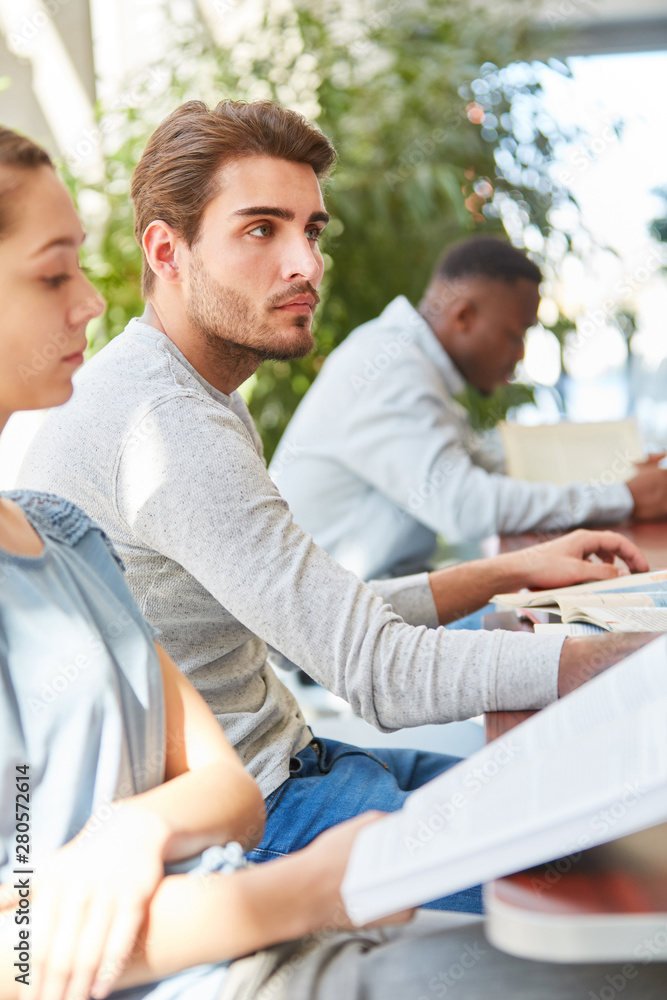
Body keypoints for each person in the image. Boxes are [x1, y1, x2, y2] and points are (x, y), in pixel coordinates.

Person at [4, 126, 666, 1000]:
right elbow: (376, 671)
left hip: (303, 766)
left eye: (311, 231)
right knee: (629, 902)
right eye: (260, 229)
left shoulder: (181, 396)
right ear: (166, 251)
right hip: (277, 823)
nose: (304, 264)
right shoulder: (162, 423)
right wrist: (612, 664)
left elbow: (292, 621)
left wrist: (501, 574)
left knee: (614, 815)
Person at [270, 237, 667, 579]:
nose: (522, 354)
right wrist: (625, 497)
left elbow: (490, 465)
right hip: (332, 649)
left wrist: (621, 471)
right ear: (463, 316)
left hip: (372, 611)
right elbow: (465, 506)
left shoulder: (406, 359)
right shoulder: (389, 368)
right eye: (516, 334)